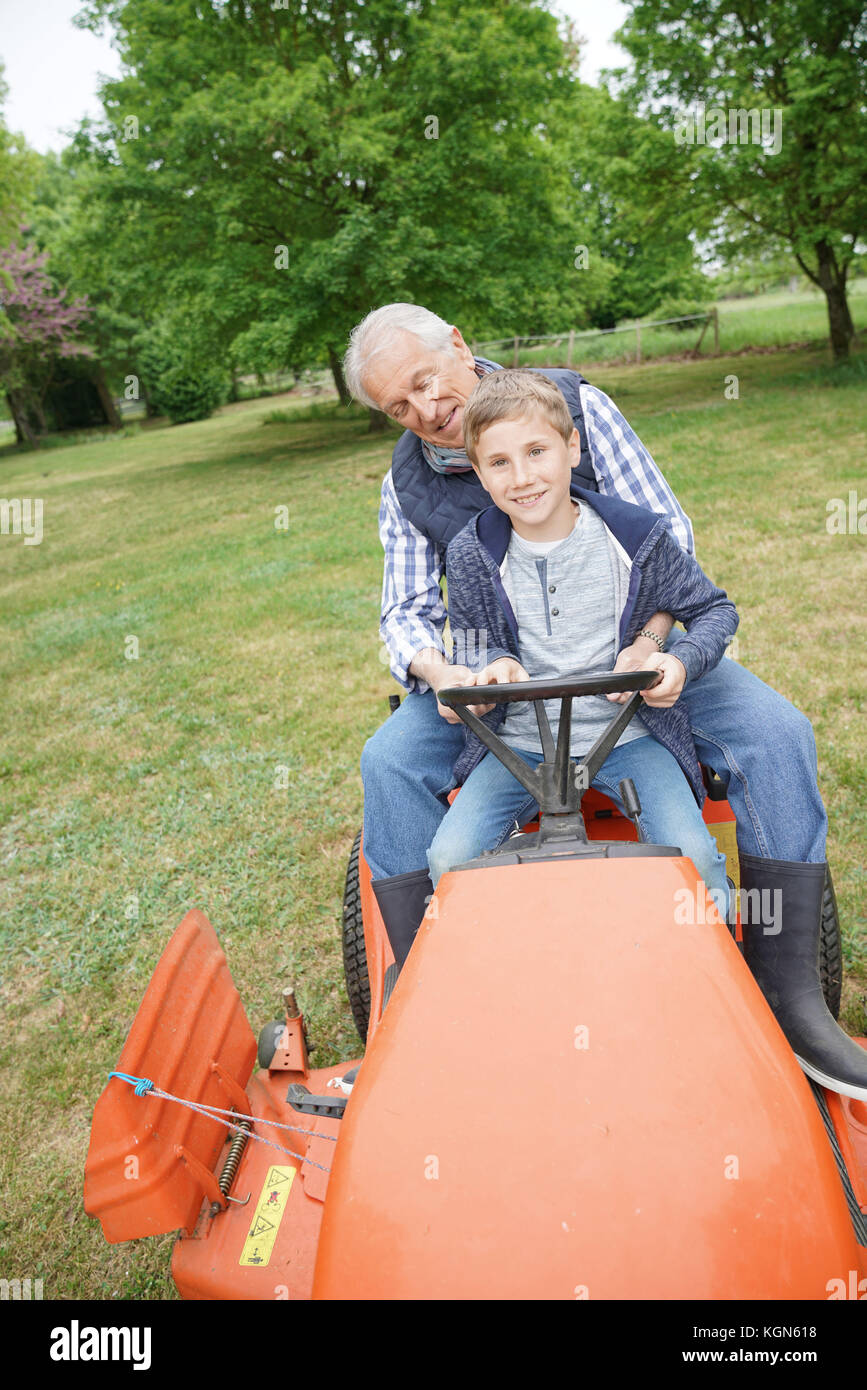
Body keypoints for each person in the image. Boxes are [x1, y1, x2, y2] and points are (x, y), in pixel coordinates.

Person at [344, 301, 867, 1100]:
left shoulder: (578, 407)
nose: (424, 412)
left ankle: (788, 998)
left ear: (457, 343)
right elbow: (406, 609)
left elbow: (671, 539)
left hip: (634, 652)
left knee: (774, 730)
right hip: (502, 682)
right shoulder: (405, 482)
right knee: (387, 761)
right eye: (398, 408)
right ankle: (429, 1012)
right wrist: (446, 673)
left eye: (425, 384)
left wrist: (651, 643)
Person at [426, 369, 736, 911]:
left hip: (629, 734)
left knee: (695, 859)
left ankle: (720, 985)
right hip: (517, 745)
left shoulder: (637, 536)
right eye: (499, 462)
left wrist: (679, 661)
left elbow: (714, 609)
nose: (521, 477)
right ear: (478, 471)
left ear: (572, 447)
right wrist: (487, 667)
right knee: (449, 857)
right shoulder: (471, 554)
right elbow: (471, 641)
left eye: (537, 451)